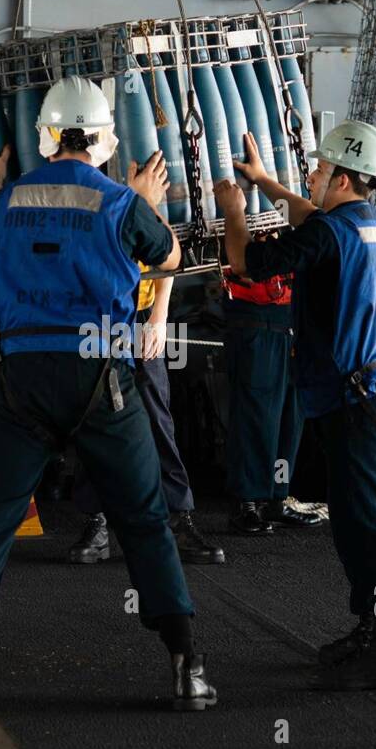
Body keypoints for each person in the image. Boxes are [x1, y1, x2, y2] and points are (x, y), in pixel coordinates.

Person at [0, 76, 217, 712]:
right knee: (143, 518)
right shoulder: (118, 202)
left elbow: (4, 238)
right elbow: (170, 257)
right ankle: (186, 665)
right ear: (106, 139)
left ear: (46, 138)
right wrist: (143, 204)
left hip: (20, 381)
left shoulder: (7, 200)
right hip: (99, 379)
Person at [220, 120, 376, 691]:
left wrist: (234, 207)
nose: (313, 174)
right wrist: (267, 183)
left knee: (368, 523)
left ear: (347, 177)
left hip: (360, 404)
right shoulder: (369, 223)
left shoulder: (334, 232)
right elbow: (313, 219)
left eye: (322, 169)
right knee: (358, 521)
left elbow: (250, 263)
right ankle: (369, 630)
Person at [66, 236, 224, 566]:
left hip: (140, 315)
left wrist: (158, 319)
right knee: (92, 413)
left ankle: (178, 517)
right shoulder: (84, 191)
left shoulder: (144, 190)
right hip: (91, 318)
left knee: (155, 415)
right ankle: (96, 520)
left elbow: (166, 251)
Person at [223, 132, 322, 535]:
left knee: (289, 413)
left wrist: (262, 181)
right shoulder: (317, 216)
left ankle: (277, 497)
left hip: (291, 321)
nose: (312, 177)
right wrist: (235, 211)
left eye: (320, 172)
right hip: (254, 316)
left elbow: (297, 212)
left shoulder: (316, 218)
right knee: (256, 411)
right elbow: (241, 263)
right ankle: (248, 501)